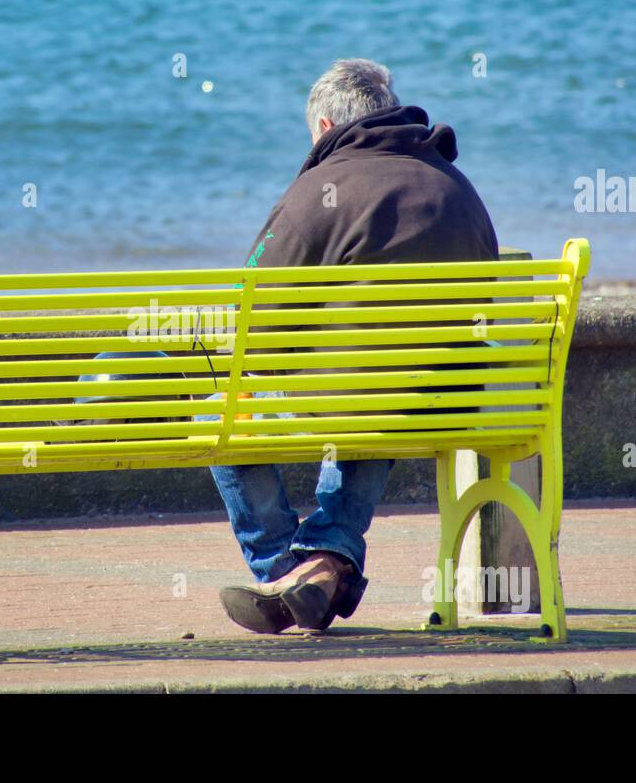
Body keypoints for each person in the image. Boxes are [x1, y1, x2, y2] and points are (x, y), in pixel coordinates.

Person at [213, 58, 500, 634]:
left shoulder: (319, 189)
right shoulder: (456, 186)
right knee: (384, 387)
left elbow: (252, 317)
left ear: (324, 128)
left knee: (222, 408)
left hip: (360, 398)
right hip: (446, 396)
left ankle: (283, 567)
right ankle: (326, 563)